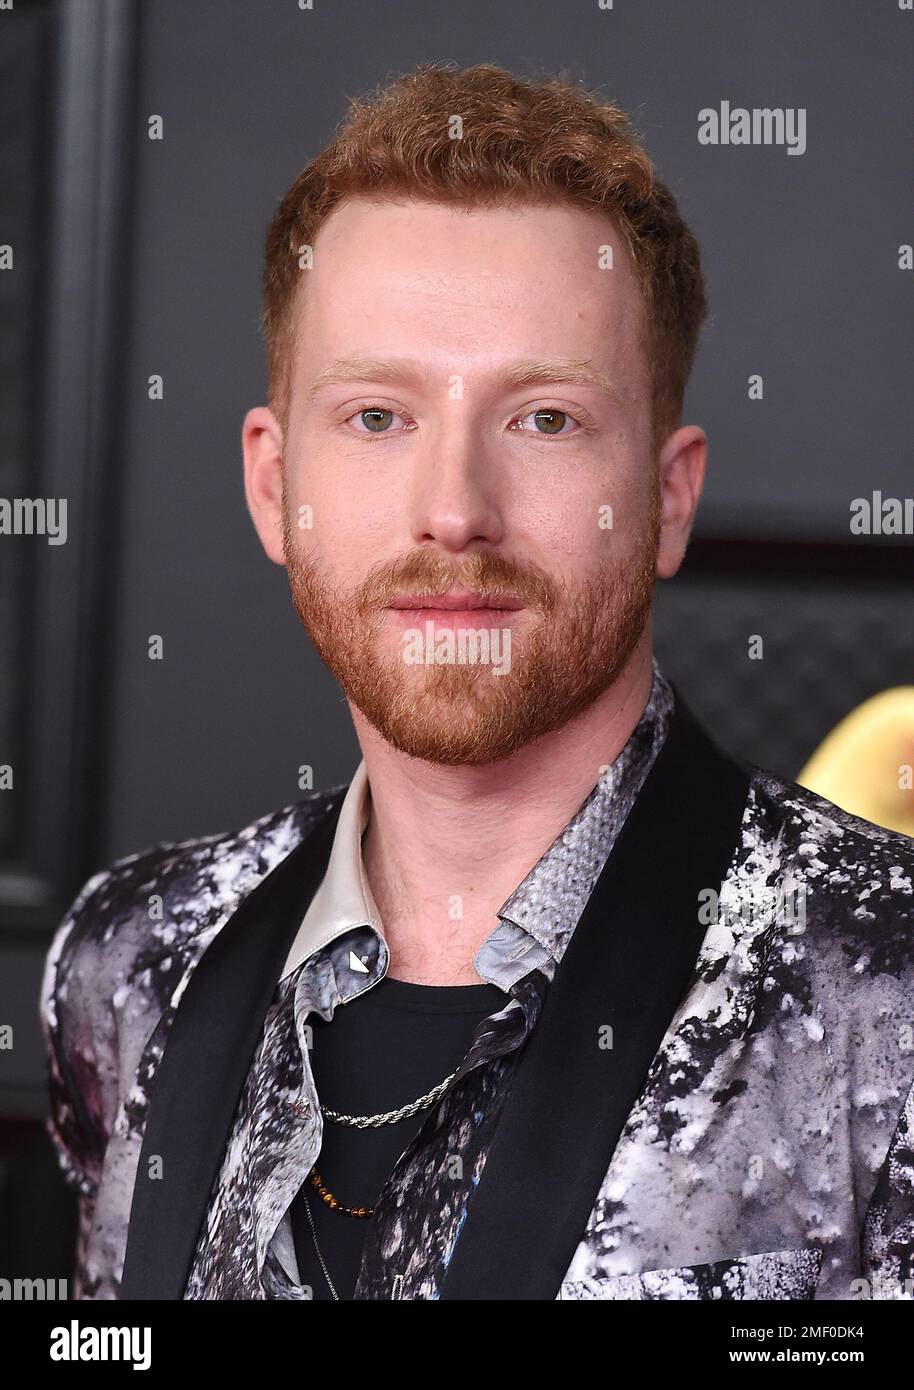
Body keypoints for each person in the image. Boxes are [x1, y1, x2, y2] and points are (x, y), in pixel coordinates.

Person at [40, 62, 914, 1302]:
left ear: (666, 499)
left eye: (544, 418)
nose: (453, 509)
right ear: (269, 482)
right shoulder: (128, 959)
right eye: (376, 416)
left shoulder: (886, 986)